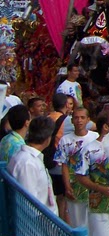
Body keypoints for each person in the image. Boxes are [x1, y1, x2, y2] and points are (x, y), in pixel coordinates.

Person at [54, 106, 98, 229]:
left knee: (93, 223)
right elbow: (64, 166)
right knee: (77, 223)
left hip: (93, 186)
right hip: (75, 187)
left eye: (82, 117)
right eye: (76, 118)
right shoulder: (65, 140)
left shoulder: (95, 137)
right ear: (72, 120)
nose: (79, 120)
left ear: (88, 120)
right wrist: (67, 187)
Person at [8, 116, 57, 214]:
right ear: (48, 138)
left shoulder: (31, 159)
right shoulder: (27, 163)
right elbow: (28, 204)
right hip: (37, 224)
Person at [46, 93, 72, 222]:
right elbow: (92, 126)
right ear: (66, 105)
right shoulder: (67, 120)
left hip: (48, 162)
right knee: (64, 200)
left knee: (54, 197)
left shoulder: (47, 117)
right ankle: (63, 226)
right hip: (59, 164)